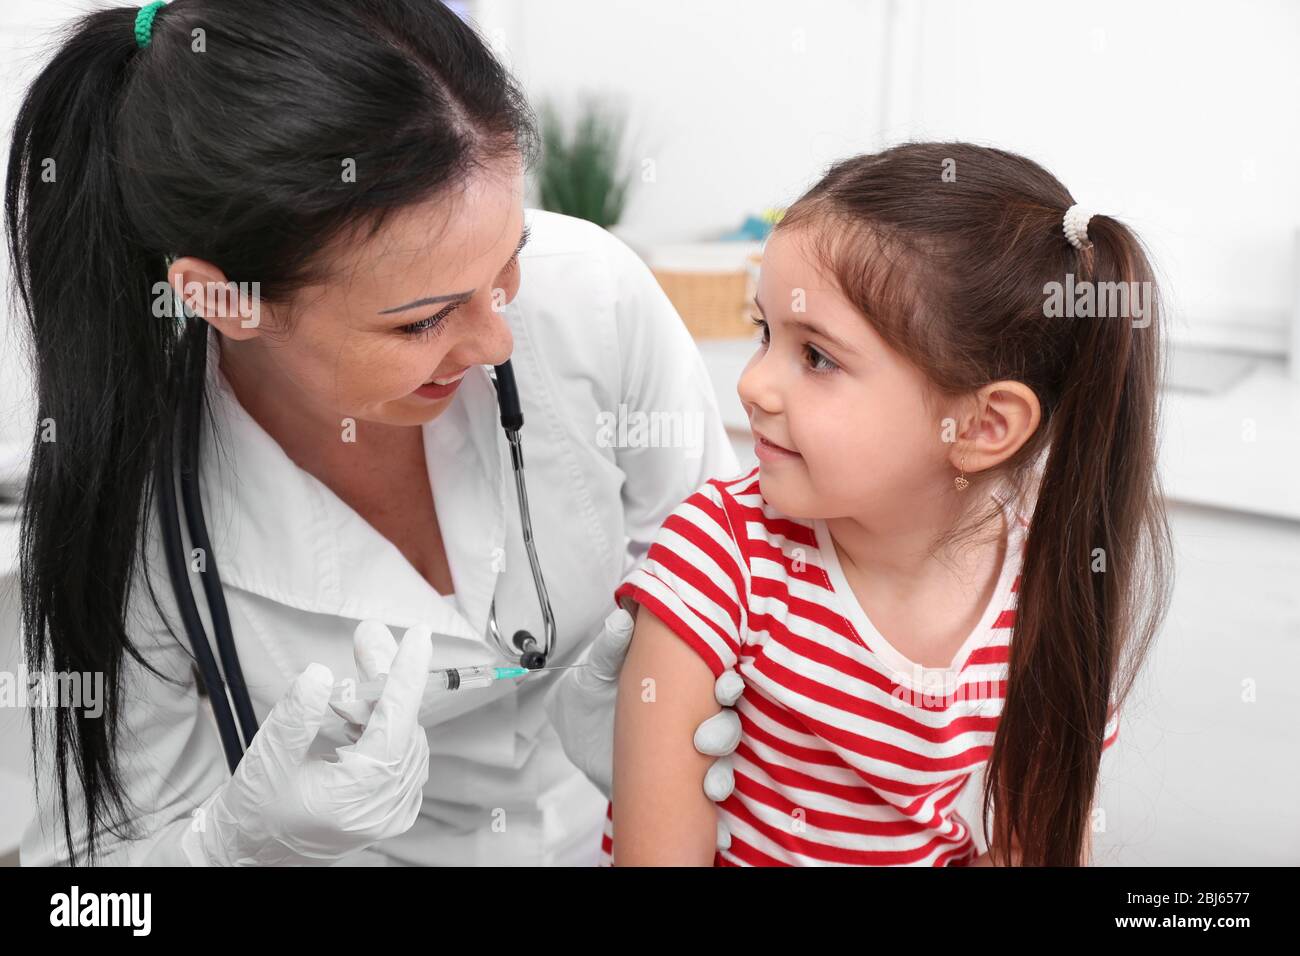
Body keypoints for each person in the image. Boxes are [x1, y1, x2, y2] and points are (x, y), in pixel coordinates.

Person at [8, 0, 737, 866]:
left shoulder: (594, 299)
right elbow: (88, 897)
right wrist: (230, 844)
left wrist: (649, 741)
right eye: (422, 321)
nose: (498, 337)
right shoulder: (131, 504)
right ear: (222, 300)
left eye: (508, 260)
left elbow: (737, 597)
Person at [604, 143, 1173, 866]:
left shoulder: (1050, 596)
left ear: (982, 427)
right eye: (765, 333)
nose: (753, 386)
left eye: (817, 357)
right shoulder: (720, 557)